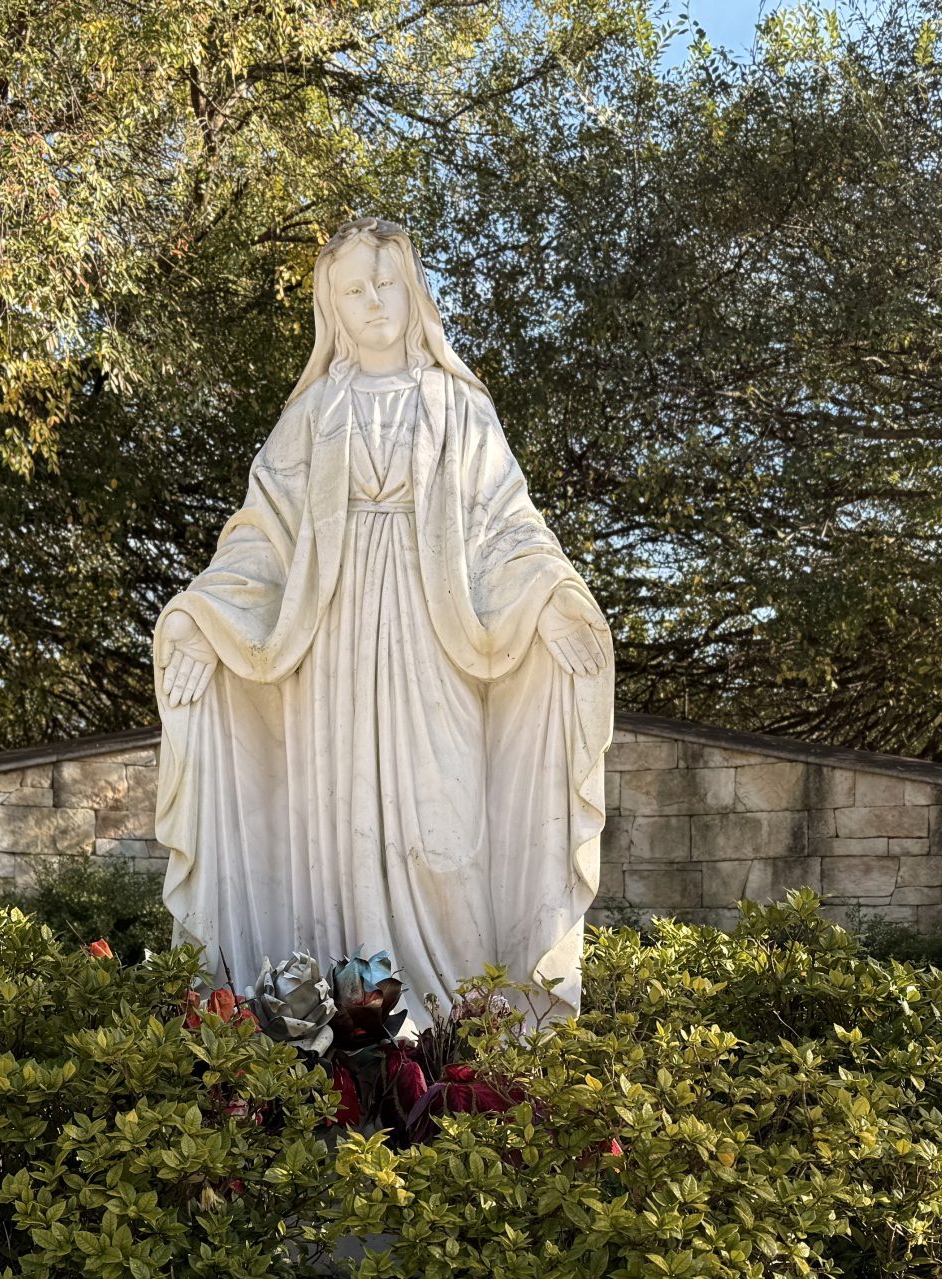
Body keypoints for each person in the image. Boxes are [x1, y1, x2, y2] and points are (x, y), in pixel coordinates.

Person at [151, 216, 613, 1025]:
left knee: (448, 831)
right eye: (353, 290)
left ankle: (465, 1019)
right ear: (331, 308)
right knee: (339, 841)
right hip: (329, 644)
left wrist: (551, 601)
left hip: (436, 641)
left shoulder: (459, 409)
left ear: (413, 291)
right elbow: (262, 538)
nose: (372, 302)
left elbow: (507, 526)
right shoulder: (312, 414)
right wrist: (201, 619)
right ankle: (346, 1025)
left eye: (385, 283)